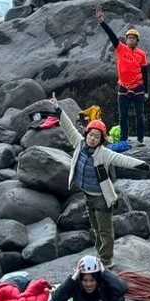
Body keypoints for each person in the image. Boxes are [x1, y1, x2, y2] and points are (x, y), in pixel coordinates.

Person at [53, 95, 120, 266]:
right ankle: (100, 254)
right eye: (91, 135)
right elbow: (68, 128)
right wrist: (58, 109)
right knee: (96, 229)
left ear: (101, 139)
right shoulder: (80, 144)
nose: (92, 138)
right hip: (88, 196)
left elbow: (124, 160)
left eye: (97, 136)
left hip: (103, 198)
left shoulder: (105, 153)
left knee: (105, 231)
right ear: (87, 134)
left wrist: (146, 167)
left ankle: (106, 260)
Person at [95, 7, 149, 144]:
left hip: (138, 88)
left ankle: (140, 139)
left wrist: (146, 90)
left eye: (133, 38)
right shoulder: (120, 48)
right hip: (124, 88)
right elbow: (111, 35)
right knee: (123, 116)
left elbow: (145, 73)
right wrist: (102, 22)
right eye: (128, 38)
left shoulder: (141, 54)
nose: (130, 40)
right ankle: (124, 140)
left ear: (137, 41)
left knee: (140, 115)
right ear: (126, 40)